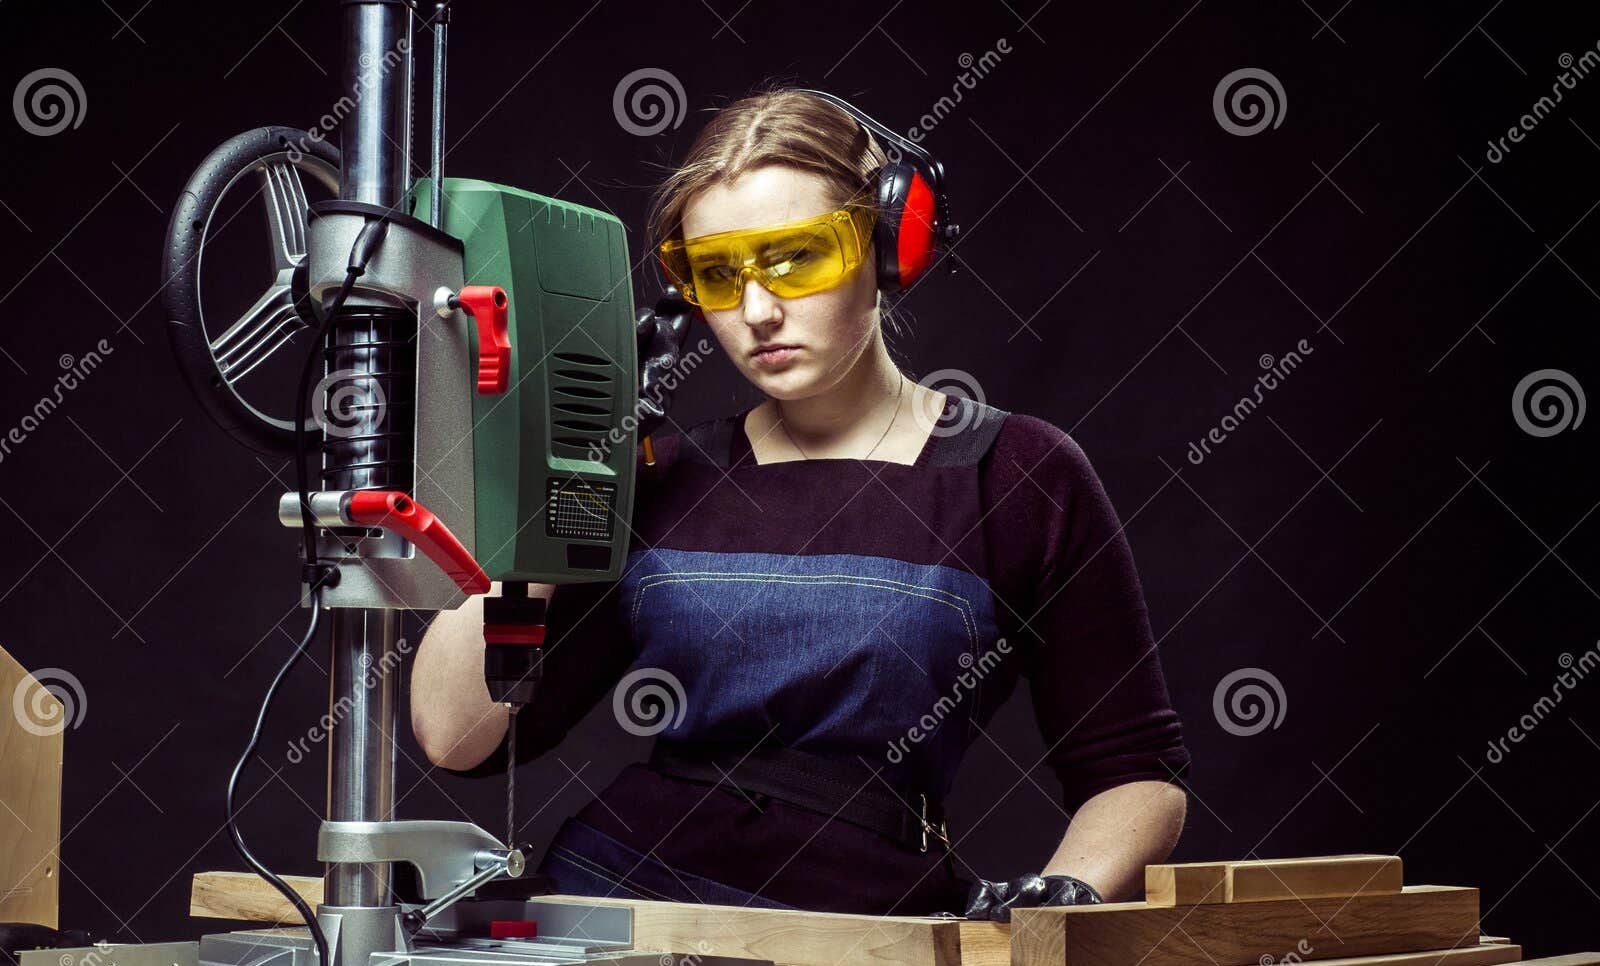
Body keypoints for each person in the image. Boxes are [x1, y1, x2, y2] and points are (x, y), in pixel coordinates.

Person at [410, 86, 1190, 917]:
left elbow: (1137, 777)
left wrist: (1059, 899)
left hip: (874, 938)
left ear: (892, 248)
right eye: (717, 274)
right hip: (618, 910)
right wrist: (566, 471)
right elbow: (459, 736)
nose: (756, 311)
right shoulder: (656, 473)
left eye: (796, 258)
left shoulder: (1019, 473)